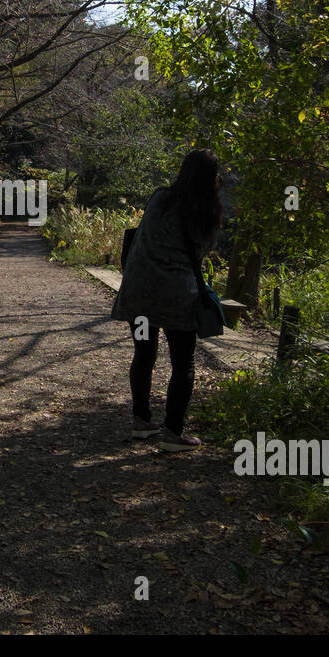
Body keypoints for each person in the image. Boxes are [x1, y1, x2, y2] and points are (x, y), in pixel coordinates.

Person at [110, 150, 224, 452]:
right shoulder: (204, 210)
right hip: (176, 298)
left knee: (144, 354)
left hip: (140, 293)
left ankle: (141, 421)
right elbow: (203, 250)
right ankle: (173, 432)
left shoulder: (160, 197)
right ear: (211, 177)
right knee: (182, 364)